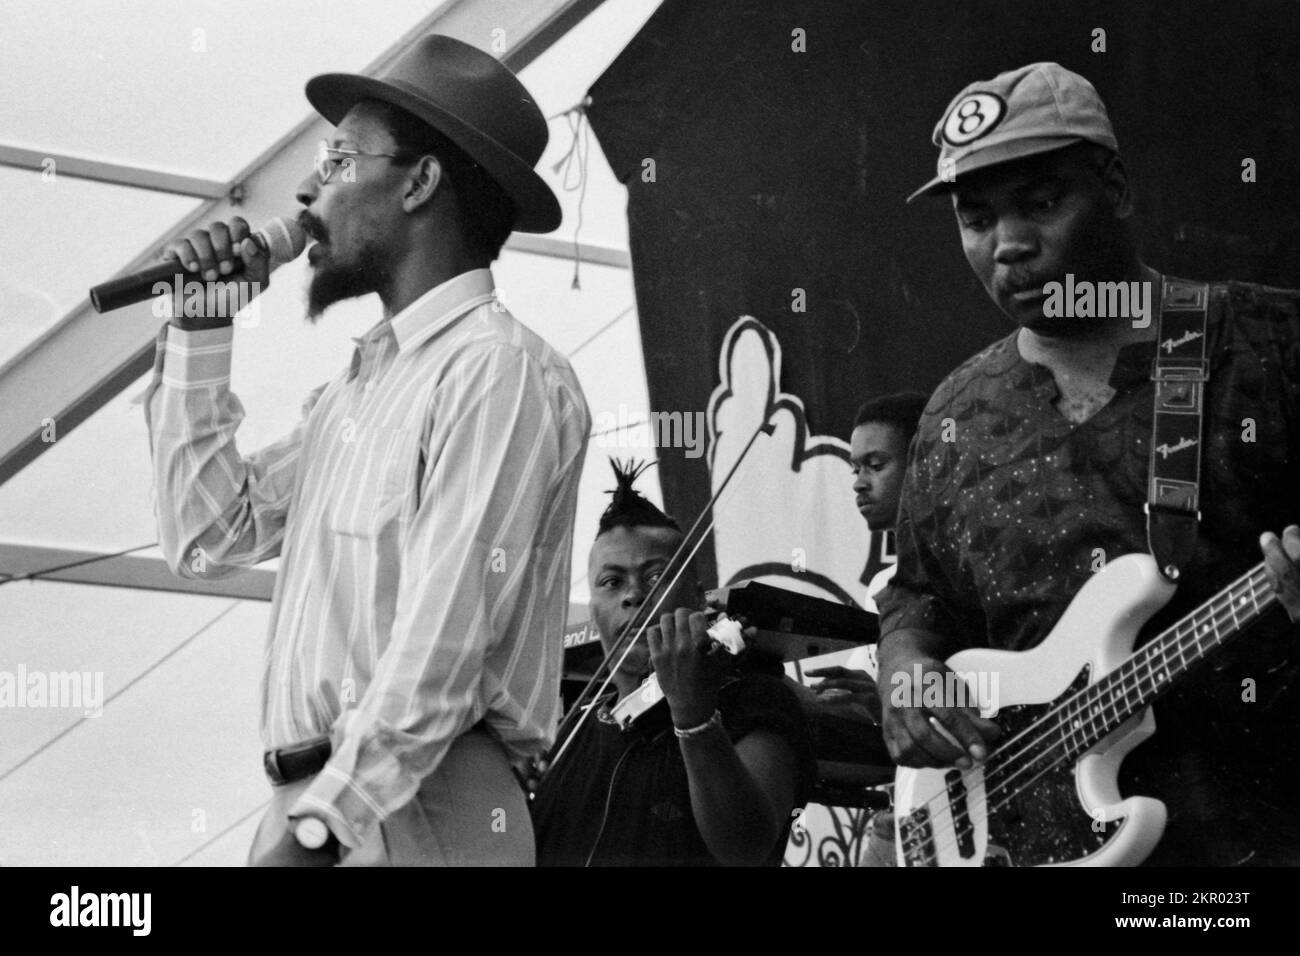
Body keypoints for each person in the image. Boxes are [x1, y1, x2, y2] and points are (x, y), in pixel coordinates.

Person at [141, 35, 590, 865]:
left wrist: (321, 832)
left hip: (416, 807)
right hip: (330, 805)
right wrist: (201, 330)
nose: (310, 189)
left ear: (421, 182)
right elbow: (209, 538)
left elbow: (444, 644)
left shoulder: (497, 373)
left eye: (341, 159)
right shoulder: (357, 389)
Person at [878, 61, 1300, 866]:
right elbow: (919, 600)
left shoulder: (1267, 346)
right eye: (976, 218)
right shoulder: (955, 414)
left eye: (1040, 203)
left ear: (1116, 187)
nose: (1008, 246)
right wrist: (906, 676)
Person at [530, 460, 815, 866]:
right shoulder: (573, 731)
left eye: (656, 577)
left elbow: (745, 847)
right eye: (612, 582)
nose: (634, 596)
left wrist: (693, 715)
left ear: (699, 599)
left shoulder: (755, 701)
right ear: (592, 608)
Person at [802, 391, 925, 866]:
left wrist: (893, 702)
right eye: (854, 468)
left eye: (875, 465)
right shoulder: (880, 586)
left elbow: (983, 698)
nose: (858, 483)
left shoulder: (963, 573)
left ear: (922, 464)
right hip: (902, 815)